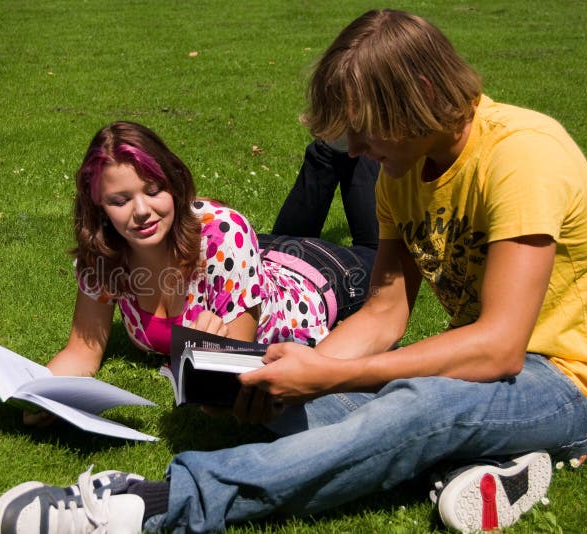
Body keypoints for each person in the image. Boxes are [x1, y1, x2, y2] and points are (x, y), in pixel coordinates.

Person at [0, 8, 587, 534]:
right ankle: (498, 467)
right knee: (287, 413)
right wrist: (295, 373)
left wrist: (338, 374)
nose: (351, 150)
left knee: (412, 407)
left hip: (572, 384)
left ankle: (151, 506)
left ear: (423, 98)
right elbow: (382, 315)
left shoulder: (522, 158)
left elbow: (500, 346)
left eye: (365, 129)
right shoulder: (402, 175)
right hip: (482, 377)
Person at [26, 120, 375, 425]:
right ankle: (334, 146)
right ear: (99, 206)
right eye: (120, 200)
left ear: (173, 184)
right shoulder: (103, 254)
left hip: (323, 277)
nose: (142, 211)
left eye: (153, 190)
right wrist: (41, 391)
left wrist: (211, 349)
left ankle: (357, 136)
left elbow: (236, 365)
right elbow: (82, 351)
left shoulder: (224, 232)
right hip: (256, 258)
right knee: (289, 231)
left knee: (372, 247)